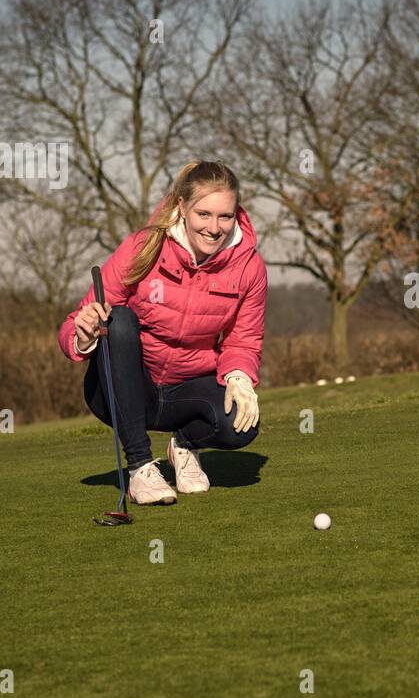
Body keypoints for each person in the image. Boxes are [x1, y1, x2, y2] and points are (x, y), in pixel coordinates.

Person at [59, 160, 267, 505]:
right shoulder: (145, 245)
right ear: (182, 207)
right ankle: (140, 466)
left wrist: (240, 377)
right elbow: (74, 324)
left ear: (236, 214)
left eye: (225, 217)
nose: (214, 228)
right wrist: (84, 335)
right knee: (120, 319)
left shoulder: (249, 267)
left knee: (241, 425)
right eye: (204, 214)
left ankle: (184, 445)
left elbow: (243, 339)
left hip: (186, 393)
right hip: (122, 392)